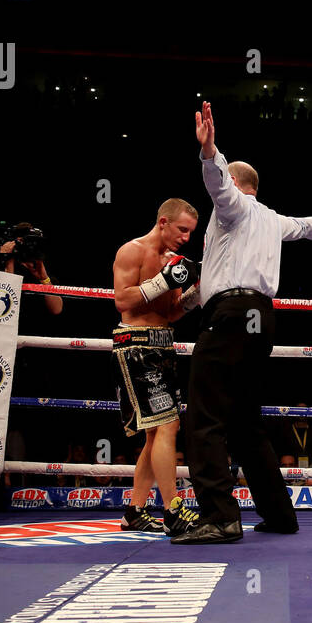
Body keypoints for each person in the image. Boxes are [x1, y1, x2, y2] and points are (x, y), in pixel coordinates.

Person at [173, 101, 312, 544]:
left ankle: (220, 516)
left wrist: (209, 151)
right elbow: (309, 226)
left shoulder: (235, 207)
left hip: (229, 317)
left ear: (240, 186)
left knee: (204, 417)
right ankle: (280, 515)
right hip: (260, 319)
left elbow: (218, 184)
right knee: (244, 422)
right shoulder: (273, 220)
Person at [111, 198, 202, 534]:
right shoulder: (131, 251)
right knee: (167, 428)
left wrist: (196, 293)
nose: (186, 238)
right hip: (135, 345)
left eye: (191, 232)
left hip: (164, 345)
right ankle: (174, 509)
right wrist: (163, 280)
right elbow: (122, 301)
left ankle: (135, 511)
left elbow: (172, 312)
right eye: (182, 230)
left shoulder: (175, 261)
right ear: (163, 222)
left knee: (156, 434)